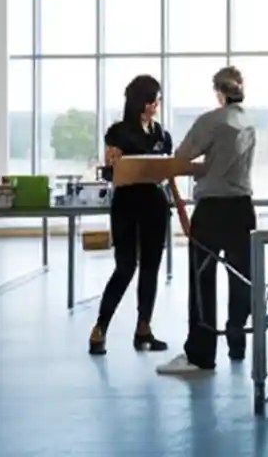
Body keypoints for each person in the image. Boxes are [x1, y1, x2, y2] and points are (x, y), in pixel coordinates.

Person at [157, 66, 258, 376]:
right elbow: (228, 163)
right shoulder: (249, 122)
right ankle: (237, 341)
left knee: (203, 280)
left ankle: (201, 355)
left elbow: (181, 157)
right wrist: (210, 167)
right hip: (243, 207)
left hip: (213, 209)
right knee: (242, 277)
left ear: (219, 92)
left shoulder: (211, 121)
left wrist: (198, 169)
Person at [89, 75, 175, 356]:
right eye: (152, 100)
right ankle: (100, 327)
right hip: (127, 204)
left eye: (157, 100)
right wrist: (115, 163)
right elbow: (111, 171)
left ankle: (143, 328)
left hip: (155, 204)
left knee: (151, 266)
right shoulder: (118, 133)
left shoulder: (162, 134)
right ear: (142, 102)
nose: (156, 105)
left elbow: (167, 168)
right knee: (125, 266)